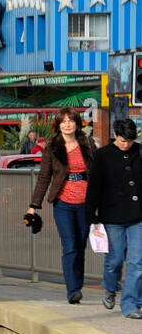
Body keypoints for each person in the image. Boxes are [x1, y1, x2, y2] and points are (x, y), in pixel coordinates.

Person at [27, 107, 97, 304]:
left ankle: (78, 283)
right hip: (63, 203)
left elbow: (98, 171)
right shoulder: (52, 147)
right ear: (58, 125)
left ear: (77, 123)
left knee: (81, 246)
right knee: (70, 246)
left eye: (71, 120)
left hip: (86, 202)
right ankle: (73, 290)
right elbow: (43, 178)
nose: (67, 124)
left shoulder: (88, 143)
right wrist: (33, 205)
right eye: (63, 121)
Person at [86, 119, 142, 320]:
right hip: (112, 216)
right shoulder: (102, 155)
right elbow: (94, 186)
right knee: (115, 260)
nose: (126, 144)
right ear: (115, 135)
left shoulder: (140, 151)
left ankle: (130, 304)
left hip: (138, 215)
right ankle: (110, 286)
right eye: (122, 140)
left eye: (129, 140)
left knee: (138, 261)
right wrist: (91, 214)